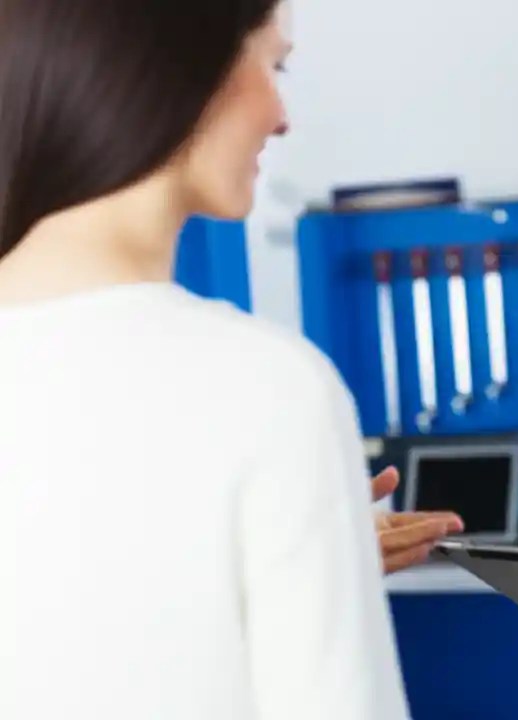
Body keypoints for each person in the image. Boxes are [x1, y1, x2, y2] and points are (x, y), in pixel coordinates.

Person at [0, 1, 457, 717]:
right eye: (274, 65)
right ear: (180, 67)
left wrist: (274, 575)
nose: (282, 116)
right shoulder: (270, 390)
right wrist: (313, 577)